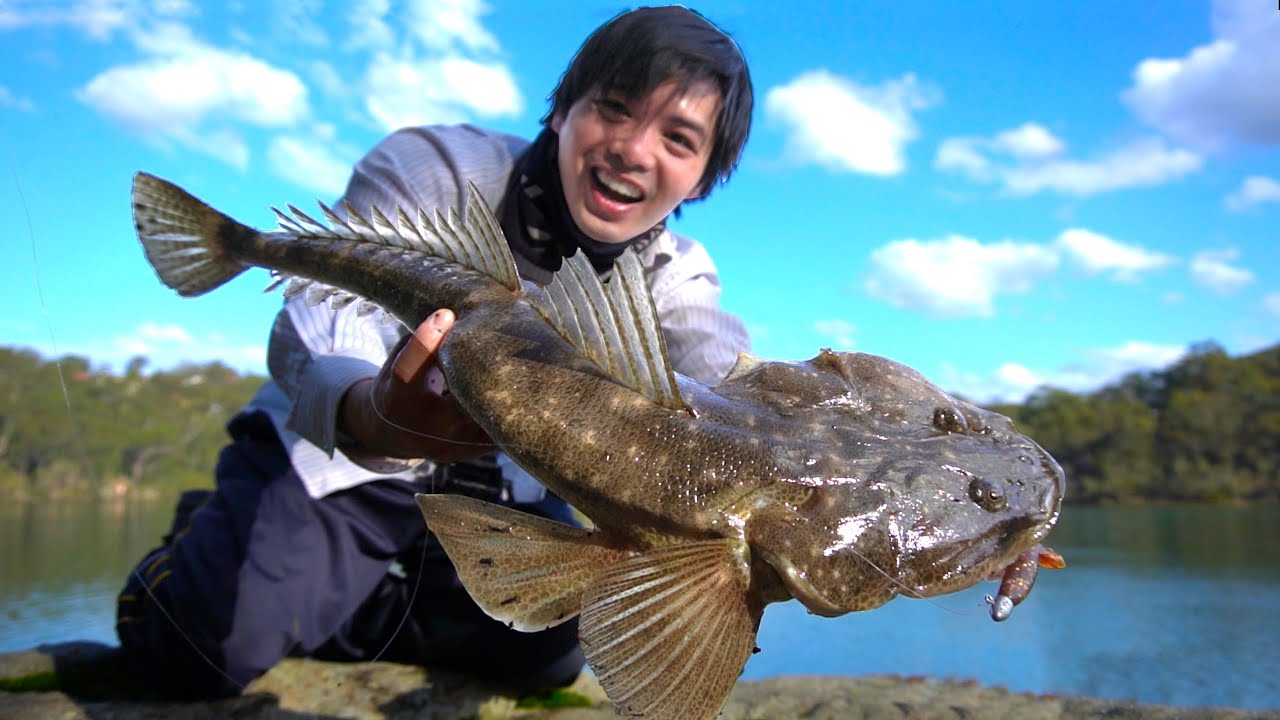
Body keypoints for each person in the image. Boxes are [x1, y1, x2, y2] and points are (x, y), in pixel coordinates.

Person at [116, 5, 753, 700]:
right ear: (561, 110)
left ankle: (339, 606)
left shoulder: (676, 273)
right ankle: (206, 564)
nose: (633, 149)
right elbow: (322, 326)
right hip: (355, 455)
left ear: (702, 178)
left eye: (679, 139)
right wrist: (372, 411)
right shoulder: (441, 167)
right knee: (205, 646)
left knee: (547, 658)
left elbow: (728, 376)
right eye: (613, 108)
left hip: (501, 494)